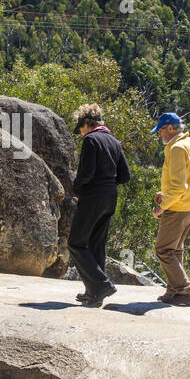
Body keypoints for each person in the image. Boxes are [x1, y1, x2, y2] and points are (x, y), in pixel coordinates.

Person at [68, 103, 130, 307]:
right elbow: (125, 176)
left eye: (81, 128)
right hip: (110, 197)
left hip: (93, 197)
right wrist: (107, 184)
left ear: (88, 123)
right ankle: (93, 293)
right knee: (96, 244)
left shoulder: (91, 140)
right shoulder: (115, 142)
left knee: (76, 243)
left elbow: (86, 174)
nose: (81, 133)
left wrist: (76, 189)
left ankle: (101, 285)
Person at [151, 112, 190, 306]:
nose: (160, 135)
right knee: (175, 249)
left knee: (163, 249)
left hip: (178, 207)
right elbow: (186, 180)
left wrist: (162, 207)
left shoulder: (177, 148)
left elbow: (180, 187)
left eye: (161, 130)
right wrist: (164, 192)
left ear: (170, 128)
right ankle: (174, 290)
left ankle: (184, 290)